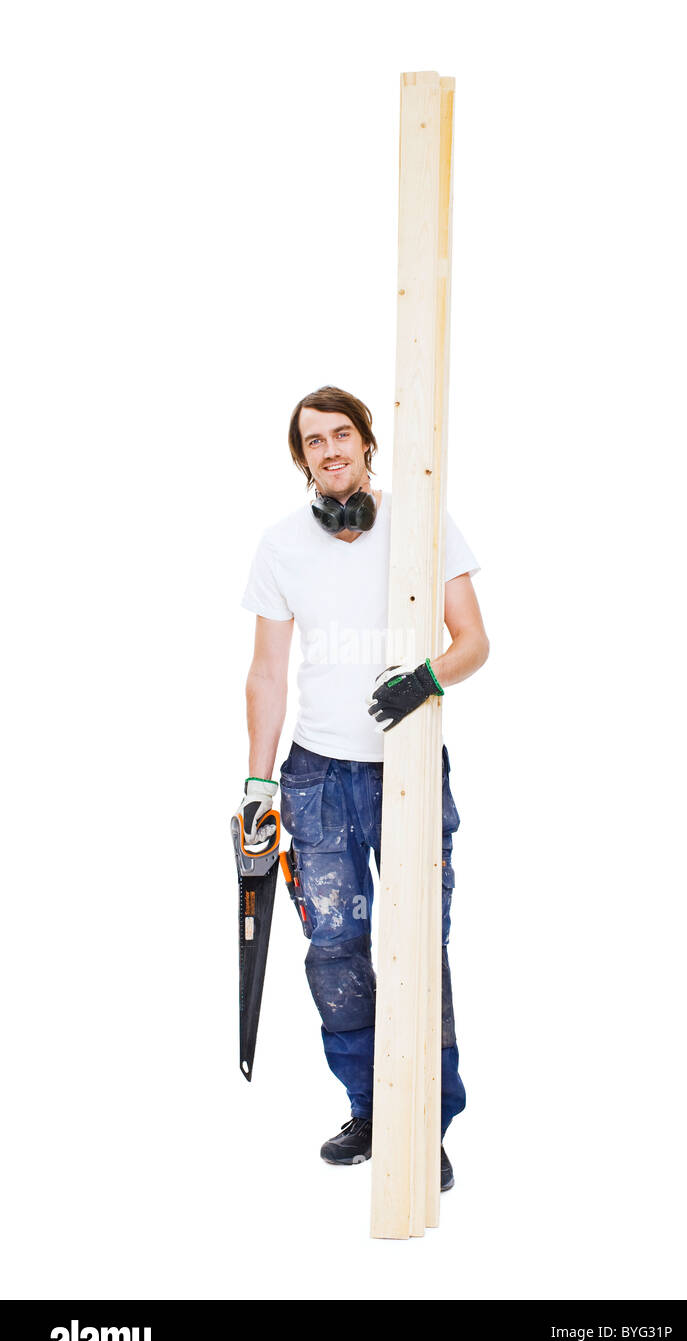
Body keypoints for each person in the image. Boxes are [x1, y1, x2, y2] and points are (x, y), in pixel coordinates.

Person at [238, 385, 489, 1191]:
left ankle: (427, 1121)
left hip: (409, 767)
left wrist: (424, 681)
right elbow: (268, 674)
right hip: (315, 778)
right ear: (302, 459)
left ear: (367, 443)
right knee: (336, 951)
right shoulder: (280, 547)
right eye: (314, 442)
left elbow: (474, 641)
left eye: (342, 434)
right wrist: (257, 779)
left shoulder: (421, 527)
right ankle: (370, 1108)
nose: (331, 449)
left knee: (419, 944)